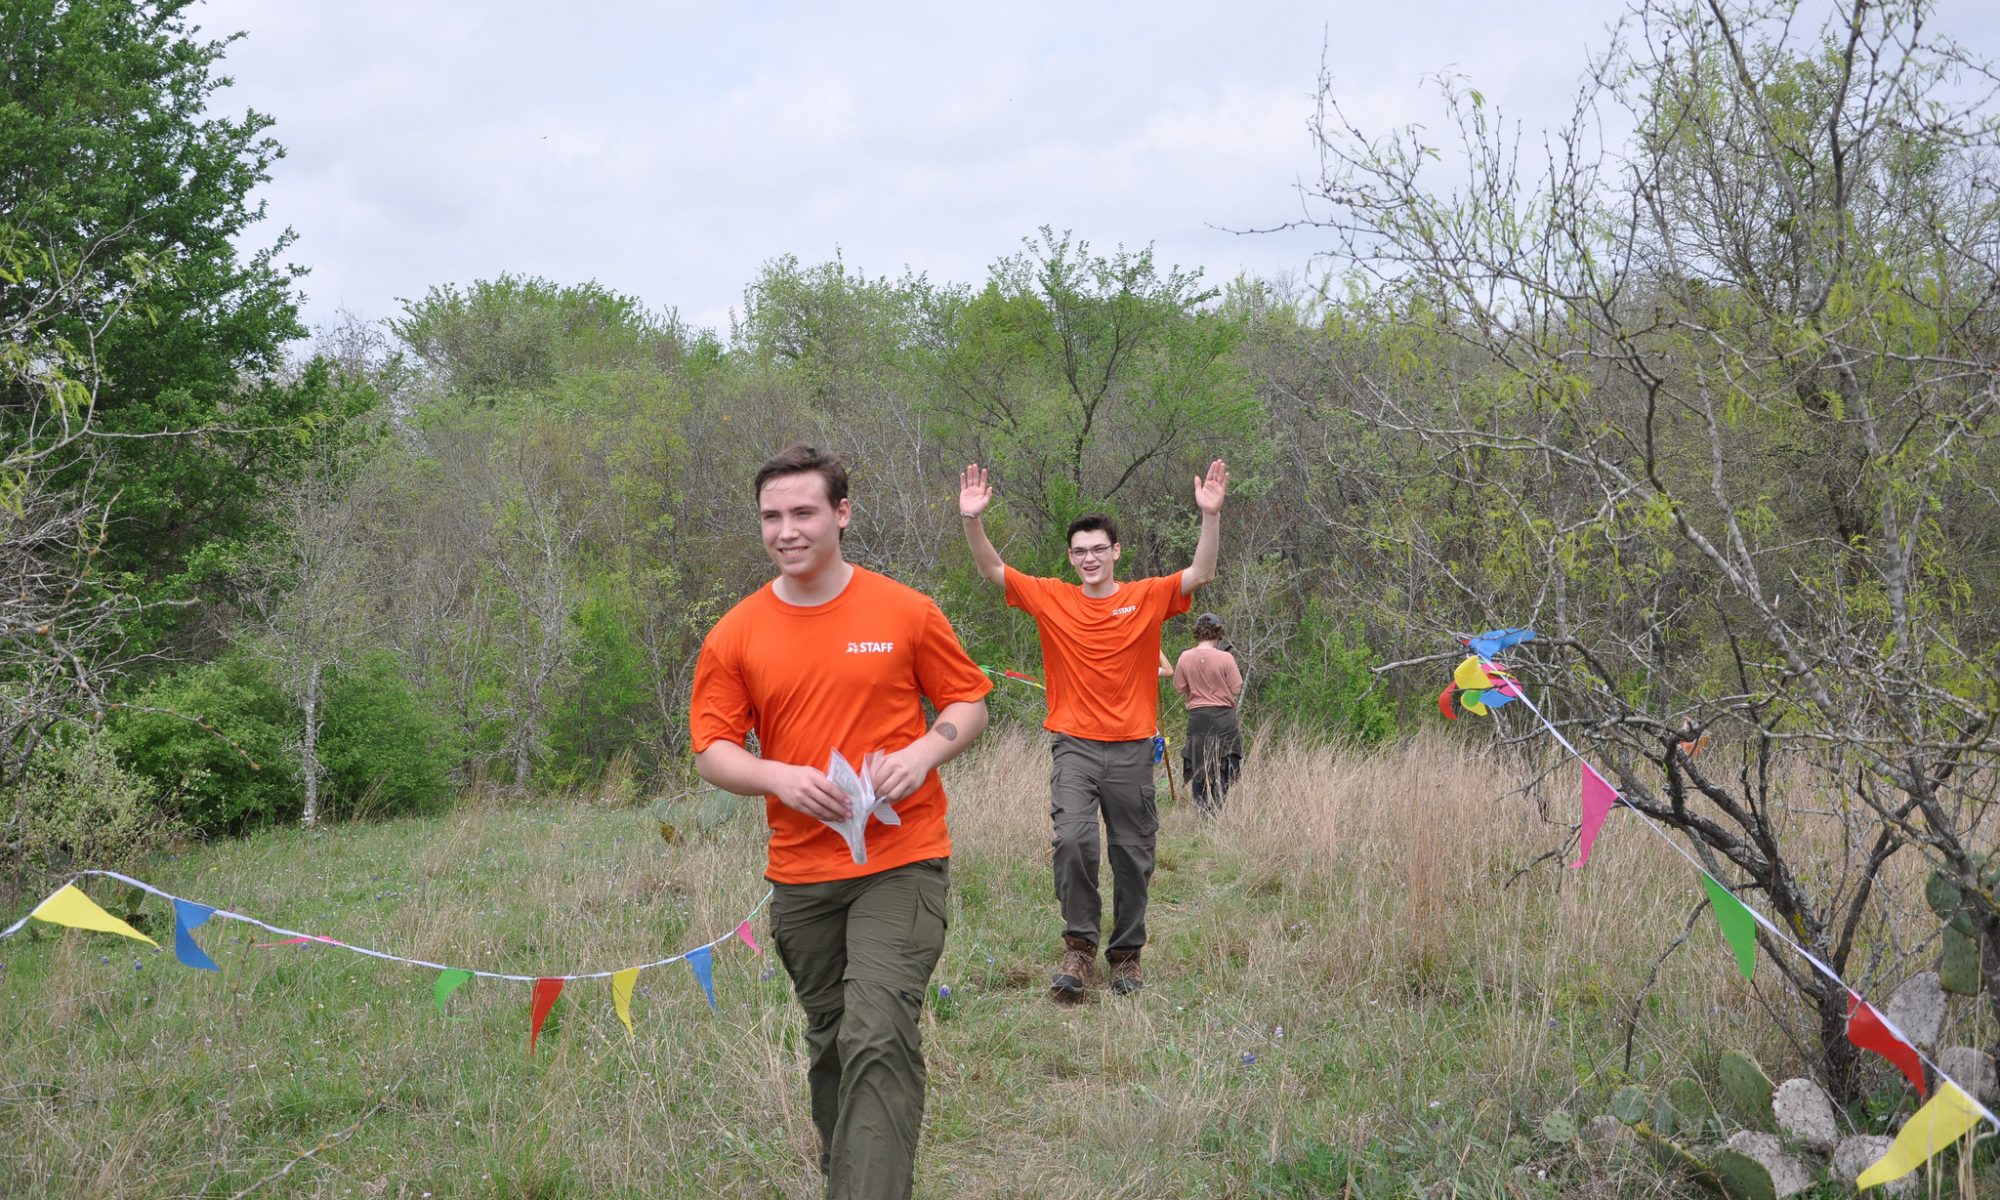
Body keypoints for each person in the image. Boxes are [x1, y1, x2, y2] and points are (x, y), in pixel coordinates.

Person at [690, 445, 991, 1200]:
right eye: (771, 517)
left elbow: (967, 704)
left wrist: (924, 753)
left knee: (877, 1034)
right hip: (802, 879)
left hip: (903, 860)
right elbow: (713, 751)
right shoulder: (736, 634)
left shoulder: (905, 610)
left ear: (842, 513)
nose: (786, 531)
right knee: (831, 1043)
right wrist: (779, 777)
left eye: (803, 512)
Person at [956, 459, 1228, 998]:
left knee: (1132, 853)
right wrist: (973, 521)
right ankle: (1078, 948)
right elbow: (994, 571)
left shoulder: (1146, 596)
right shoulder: (1053, 597)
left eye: (1097, 549)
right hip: (1075, 747)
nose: (1088, 558)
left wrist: (1211, 517)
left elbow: (1201, 573)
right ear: (1071, 556)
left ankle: (1126, 956)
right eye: (1079, 551)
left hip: (1131, 749)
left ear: (1115, 552)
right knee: (1074, 841)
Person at [1172, 612, 1244, 815]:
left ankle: (1203, 812)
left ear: (1198, 632)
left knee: (1198, 764)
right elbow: (1236, 688)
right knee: (1225, 763)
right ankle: (1218, 811)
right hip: (1223, 719)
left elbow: (1179, 688)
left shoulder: (1185, 657)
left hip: (1198, 719)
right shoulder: (1225, 658)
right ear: (1219, 632)